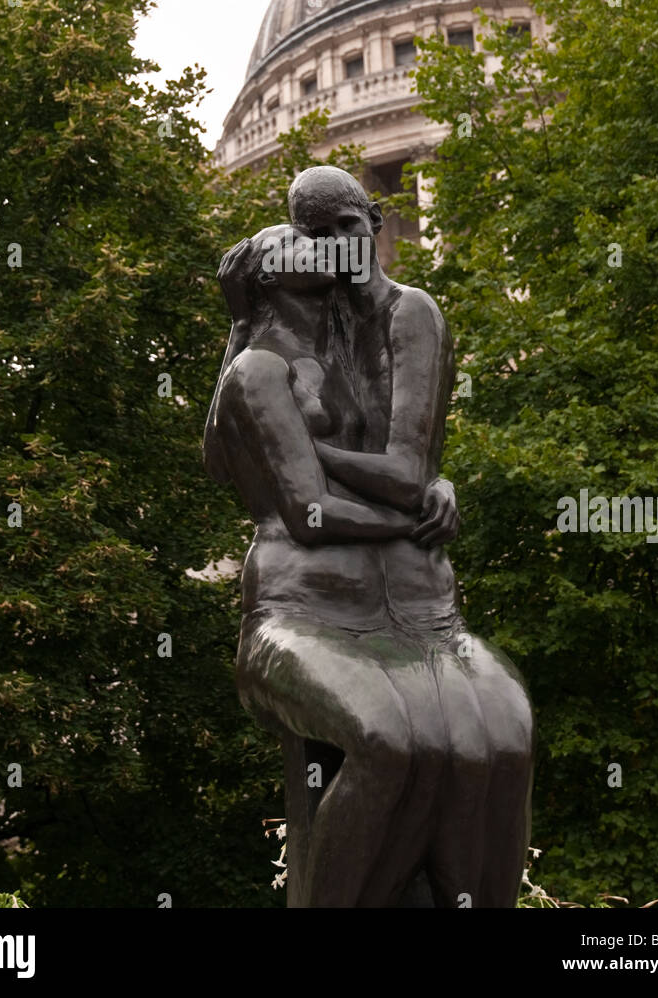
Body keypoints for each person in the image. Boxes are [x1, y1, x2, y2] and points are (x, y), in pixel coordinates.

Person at [204, 169, 534, 907]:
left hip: (418, 619)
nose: (326, 262)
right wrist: (413, 506)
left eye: (341, 236)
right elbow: (255, 477)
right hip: (302, 612)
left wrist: (418, 487)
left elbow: (408, 467)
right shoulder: (262, 367)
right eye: (305, 252)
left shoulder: (394, 321)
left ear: (376, 221)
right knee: (389, 740)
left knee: (505, 735)